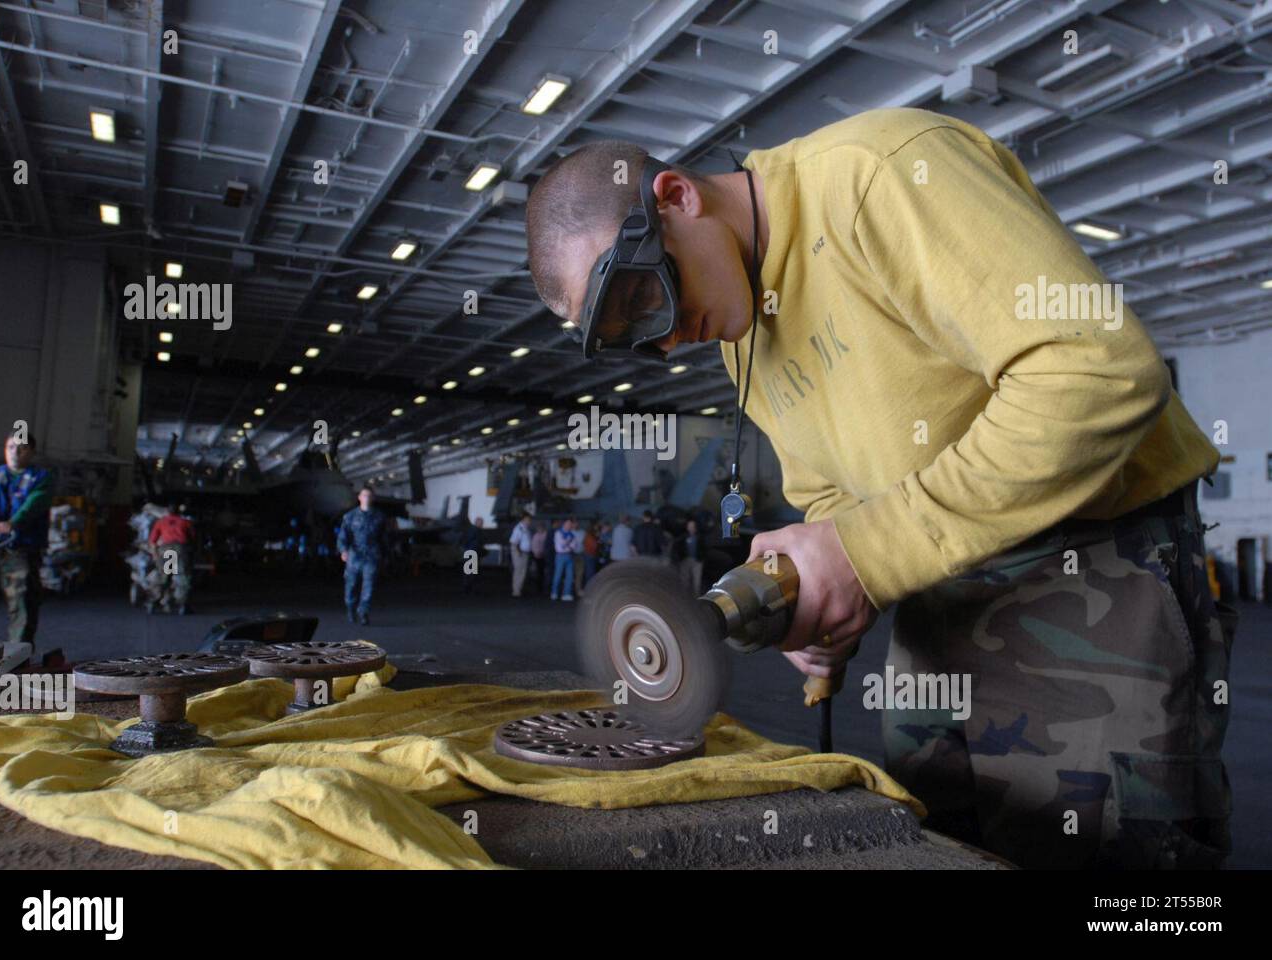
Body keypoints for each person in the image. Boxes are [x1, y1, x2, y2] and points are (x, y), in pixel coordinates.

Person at [524, 110, 1233, 870]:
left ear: (675, 197)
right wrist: (822, 584)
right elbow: (833, 492)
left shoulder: (880, 175)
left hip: (1094, 574)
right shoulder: (742, 337)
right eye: (628, 333)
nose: (661, 339)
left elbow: (1097, 373)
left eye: (640, 296)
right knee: (939, 845)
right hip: (934, 600)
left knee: (1112, 867)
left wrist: (866, 550)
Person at [0, 433, 53, 650]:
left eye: (21, 448)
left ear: (32, 452)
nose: (15, 452)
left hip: (20, 549)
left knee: (23, 604)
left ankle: (18, 659)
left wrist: (13, 523)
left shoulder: (41, 479)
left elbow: (34, 505)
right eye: (10, 447)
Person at [337, 486, 389, 626]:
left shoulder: (379, 517)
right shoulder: (350, 517)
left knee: (369, 587)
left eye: (369, 495)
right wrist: (343, 550)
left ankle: (363, 612)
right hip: (355, 556)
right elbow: (343, 536)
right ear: (359, 497)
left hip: (372, 555)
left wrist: (385, 555)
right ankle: (350, 608)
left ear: (373, 498)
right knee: (351, 585)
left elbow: (384, 538)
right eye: (364, 495)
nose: (366, 498)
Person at [148, 503, 196, 614]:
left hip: (166, 550)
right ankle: (183, 606)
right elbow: (192, 538)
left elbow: (152, 541)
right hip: (180, 549)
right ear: (179, 512)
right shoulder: (185, 522)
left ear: (168, 512)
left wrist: (155, 554)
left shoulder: (161, 522)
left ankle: (153, 604)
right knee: (182, 578)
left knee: (164, 577)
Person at [672, 518, 704, 596]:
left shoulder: (700, 537)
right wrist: (679, 558)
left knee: (697, 582)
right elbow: (676, 548)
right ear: (687, 527)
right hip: (685, 560)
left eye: (693, 526)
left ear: (695, 527)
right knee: (684, 580)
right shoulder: (682, 537)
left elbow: (704, 548)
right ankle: (685, 597)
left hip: (697, 561)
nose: (691, 528)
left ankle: (696, 598)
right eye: (690, 526)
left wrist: (702, 558)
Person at [550, 517, 576, 601]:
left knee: (570, 575)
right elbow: (560, 546)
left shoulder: (572, 534)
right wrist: (568, 543)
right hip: (560, 556)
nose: (569, 525)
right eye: (567, 523)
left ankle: (566, 593)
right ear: (564, 524)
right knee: (558, 574)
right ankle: (554, 592)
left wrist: (567, 543)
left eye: (570, 524)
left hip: (569, 555)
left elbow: (573, 546)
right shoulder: (558, 533)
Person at [508, 513, 532, 597]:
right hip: (519, 552)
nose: (529, 521)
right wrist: (518, 553)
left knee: (523, 572)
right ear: (523, 519)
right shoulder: (519, 528)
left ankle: (519, 589)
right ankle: (516, 590)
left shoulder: (526, 529)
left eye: (529, 520)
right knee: (518, 571)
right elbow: (514, 542)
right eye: (528, 519)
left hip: (525, 552)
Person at [461, 517, 485, 595]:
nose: (482, 524)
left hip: (470, 552)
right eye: (481, 523)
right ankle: (469, 589)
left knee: (469, 572)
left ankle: (467, 588)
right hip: (473, 552)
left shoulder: (471, 530)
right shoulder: (477, 531)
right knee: (472, 573)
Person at [529, 521, 548, 593]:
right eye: (538, 528)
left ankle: (543, 587)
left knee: (543, 572)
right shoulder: (536, 536)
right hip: (537, 556)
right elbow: (533, 546)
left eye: (541, 528)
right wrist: (536, 553)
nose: (539, 529)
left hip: (544, 556)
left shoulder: (546, 534)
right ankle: (538, 588)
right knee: (538, 572)